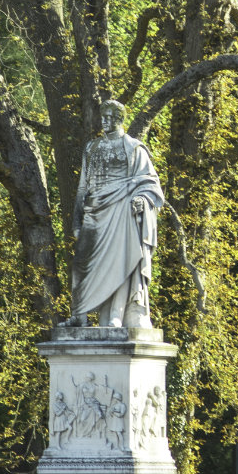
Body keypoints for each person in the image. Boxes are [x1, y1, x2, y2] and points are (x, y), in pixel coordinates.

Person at [68, 100, 166, 329]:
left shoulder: (133, 148)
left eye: (110, 117)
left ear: (120, 119)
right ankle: (79, 314)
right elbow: (83, 187)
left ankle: (116, 314)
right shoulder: (92, 148)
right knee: (81, 264)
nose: (105, 121)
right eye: (103, 117)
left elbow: (149, 183)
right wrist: (77, 219)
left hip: (122, 213)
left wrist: (142, 199)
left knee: (123, 262)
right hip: (95, 212)